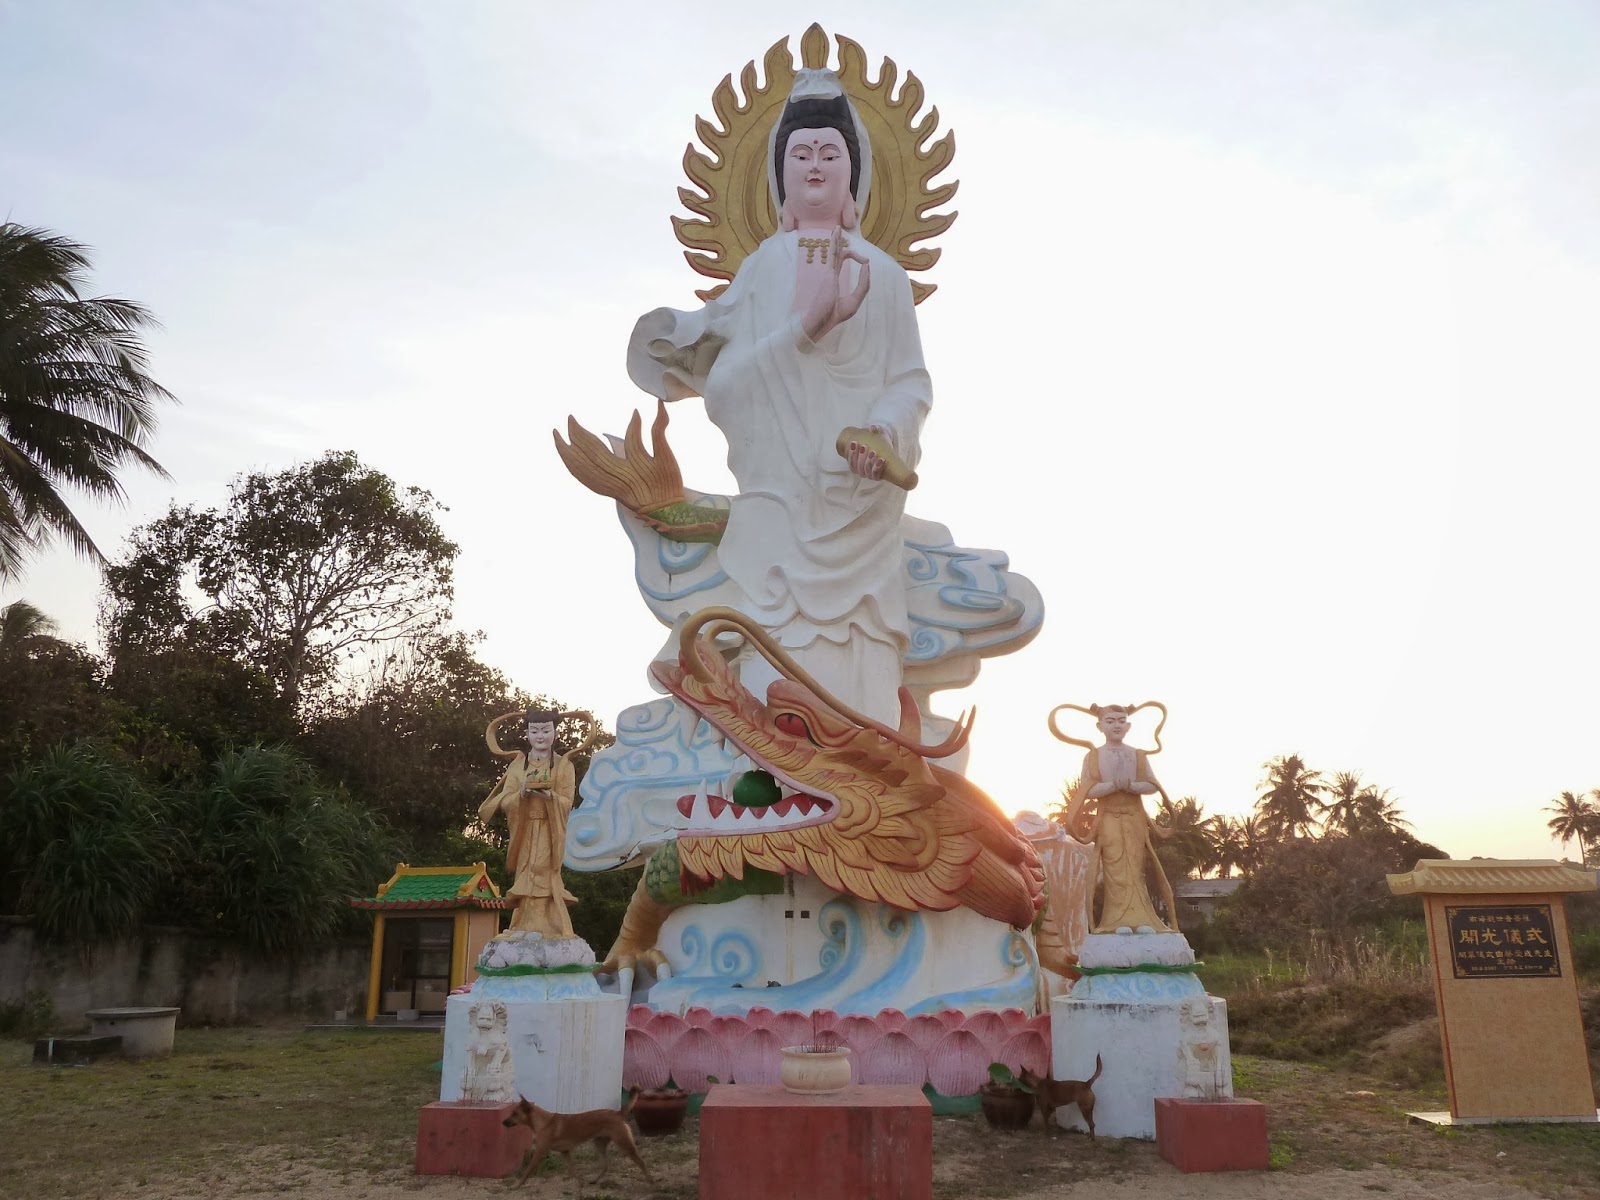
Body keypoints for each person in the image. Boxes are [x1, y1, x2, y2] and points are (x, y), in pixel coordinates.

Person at [627, 68, 931, 728]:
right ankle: (772, 780)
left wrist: (884, 433)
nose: (815, 166)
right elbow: (727, 384)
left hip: (859, 512)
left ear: (854, 173)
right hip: (779, 520)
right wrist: (805, 328)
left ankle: (866, 782)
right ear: (779, 176)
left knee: (863, 697)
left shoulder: (884, 275)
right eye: (801, 154)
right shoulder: (762, 269)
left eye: (830, 153)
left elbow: (910, 381)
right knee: (773, 690)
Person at [1060, 704, 1178, 934]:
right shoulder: (1093, 756)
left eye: (1121, 721)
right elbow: (1087, 790)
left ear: (1128, 726)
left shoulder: (1137, 754)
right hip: (1109, 817)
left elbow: (1152, 785)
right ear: (1100, 726)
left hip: (1134, 817)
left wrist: (1132, 786)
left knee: (1136, 865)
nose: (1117, 725)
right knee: (1114, 865)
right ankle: (1116, 921)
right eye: (1111, 721)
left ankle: (1143, 920)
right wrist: (1113, 785)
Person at [479, 709, 579, 936]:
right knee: (525, 873)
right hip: (525, 829)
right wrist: (522, 793)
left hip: (549, 828)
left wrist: (550, 797)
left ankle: (545, 924)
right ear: (527, 734)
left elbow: (567, 802)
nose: (540, 736)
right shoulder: (518, 766)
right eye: (534, 731)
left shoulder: (564, 766)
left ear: (555, 732)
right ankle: (522, 924)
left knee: (542, 870)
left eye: (545, 730)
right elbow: (506, 801)